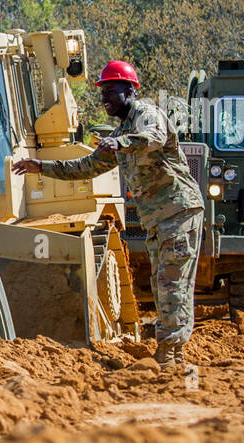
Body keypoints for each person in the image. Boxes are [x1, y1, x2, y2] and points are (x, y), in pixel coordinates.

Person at [12, 60, 204, 368]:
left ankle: (171, 354)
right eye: (102, 92)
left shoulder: (147, 115)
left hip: (179, 211)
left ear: (130, 90)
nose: (105, 99)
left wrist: (121, 143)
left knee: (172, 282)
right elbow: (85, 168)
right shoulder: (119, 133)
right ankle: (171, 351)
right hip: (159, 220)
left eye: (111, 91)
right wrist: (42, 167)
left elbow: (153, 137)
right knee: (162, 283)